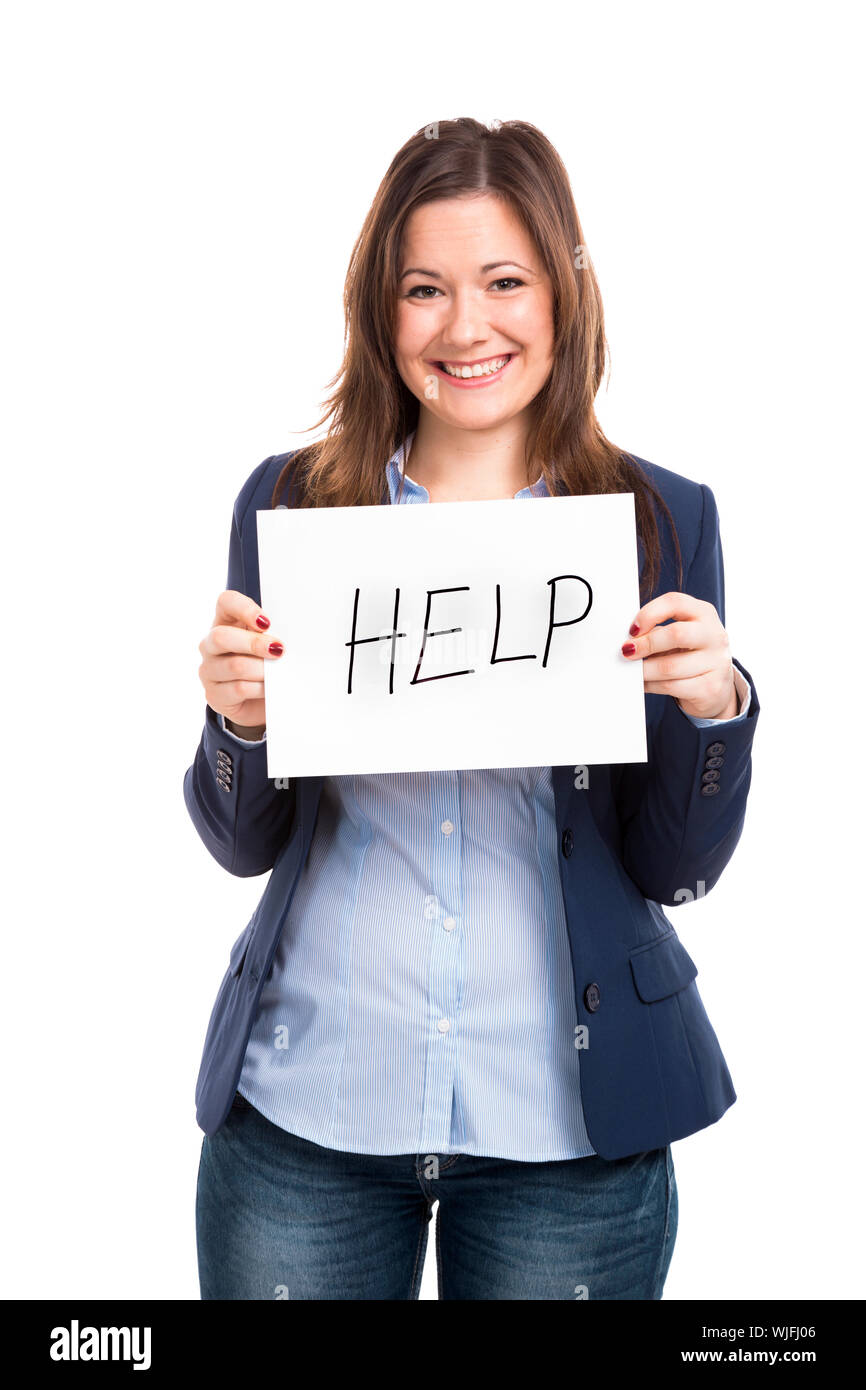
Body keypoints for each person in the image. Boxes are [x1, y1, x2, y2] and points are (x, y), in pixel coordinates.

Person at [185, 117, 760, 1300]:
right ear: (377, 309)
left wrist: (712, 709)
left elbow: (671, 864)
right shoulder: (292, 504)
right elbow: (241, 840)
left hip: (562, 1128)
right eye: (422, 290)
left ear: (562, 296)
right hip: (310, 1113)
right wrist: (238, 721)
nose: (464, 327)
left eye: (504, 282)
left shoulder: (660, 519)